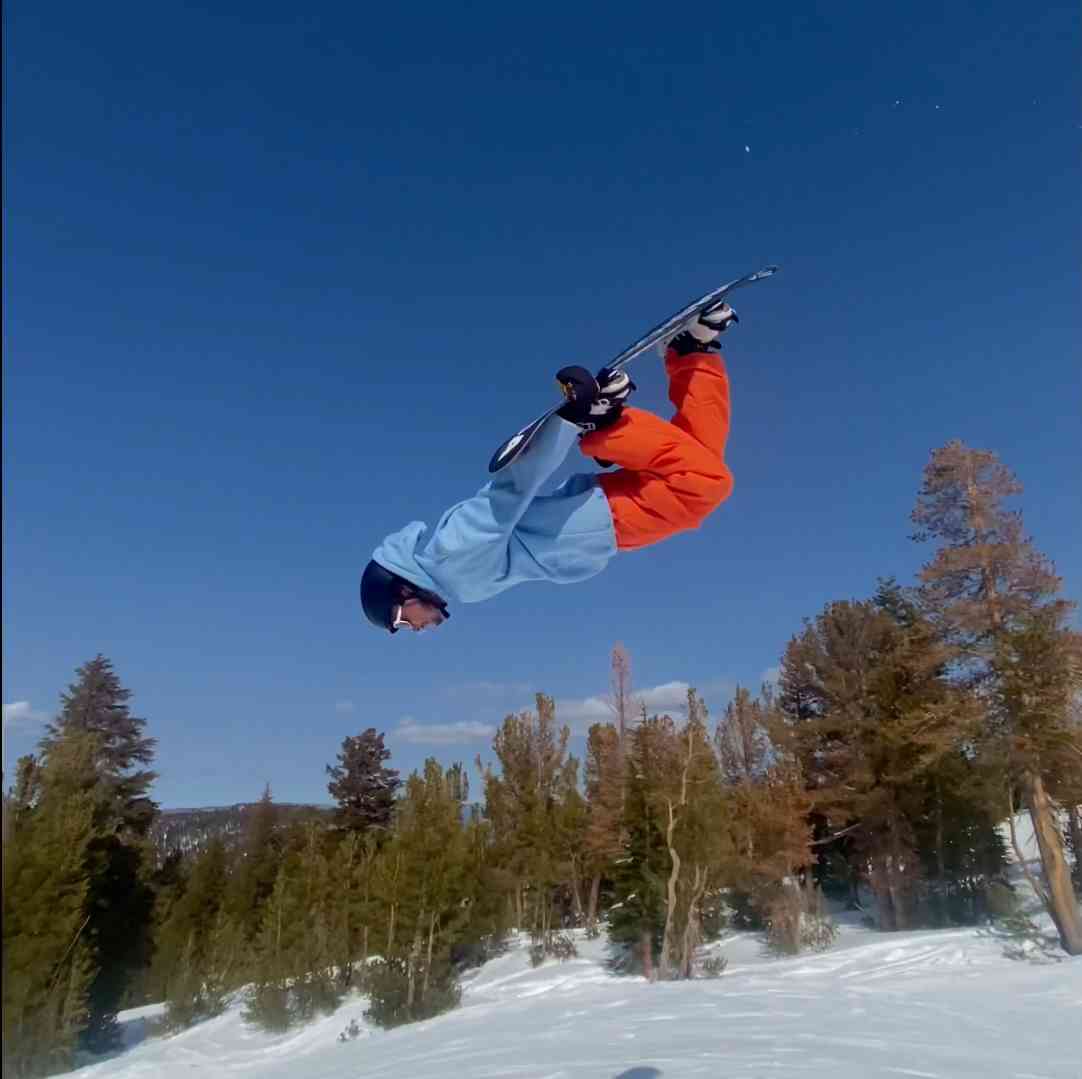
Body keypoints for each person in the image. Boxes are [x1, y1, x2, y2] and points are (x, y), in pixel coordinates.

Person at [360, 303, 740, 633]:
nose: (418, 628)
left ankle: (607, 427)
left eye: (402, 621)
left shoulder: (449, 560)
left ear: (402, 588)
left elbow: (506, 495)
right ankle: (692, 351)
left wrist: (573, 421)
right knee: (700, 457)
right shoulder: (457, 579)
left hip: (605, 523)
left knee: (703, 484)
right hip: (593, 523)